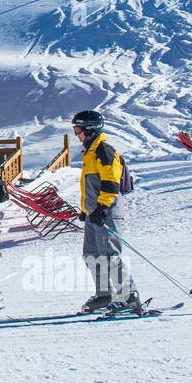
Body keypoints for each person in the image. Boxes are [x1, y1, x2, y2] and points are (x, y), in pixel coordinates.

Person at [72, 110, 141, 314]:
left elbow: (111, 184)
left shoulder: (104, 150)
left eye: (78, 130)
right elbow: (91, 186)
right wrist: (87, 211)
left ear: (90, 129)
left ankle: (128, 295)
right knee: (91, 254)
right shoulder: (91, 152)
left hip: (107, 212)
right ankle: (104, 295)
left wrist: (102, 208)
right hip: (95, 213)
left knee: (110, 255)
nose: (77, 134)